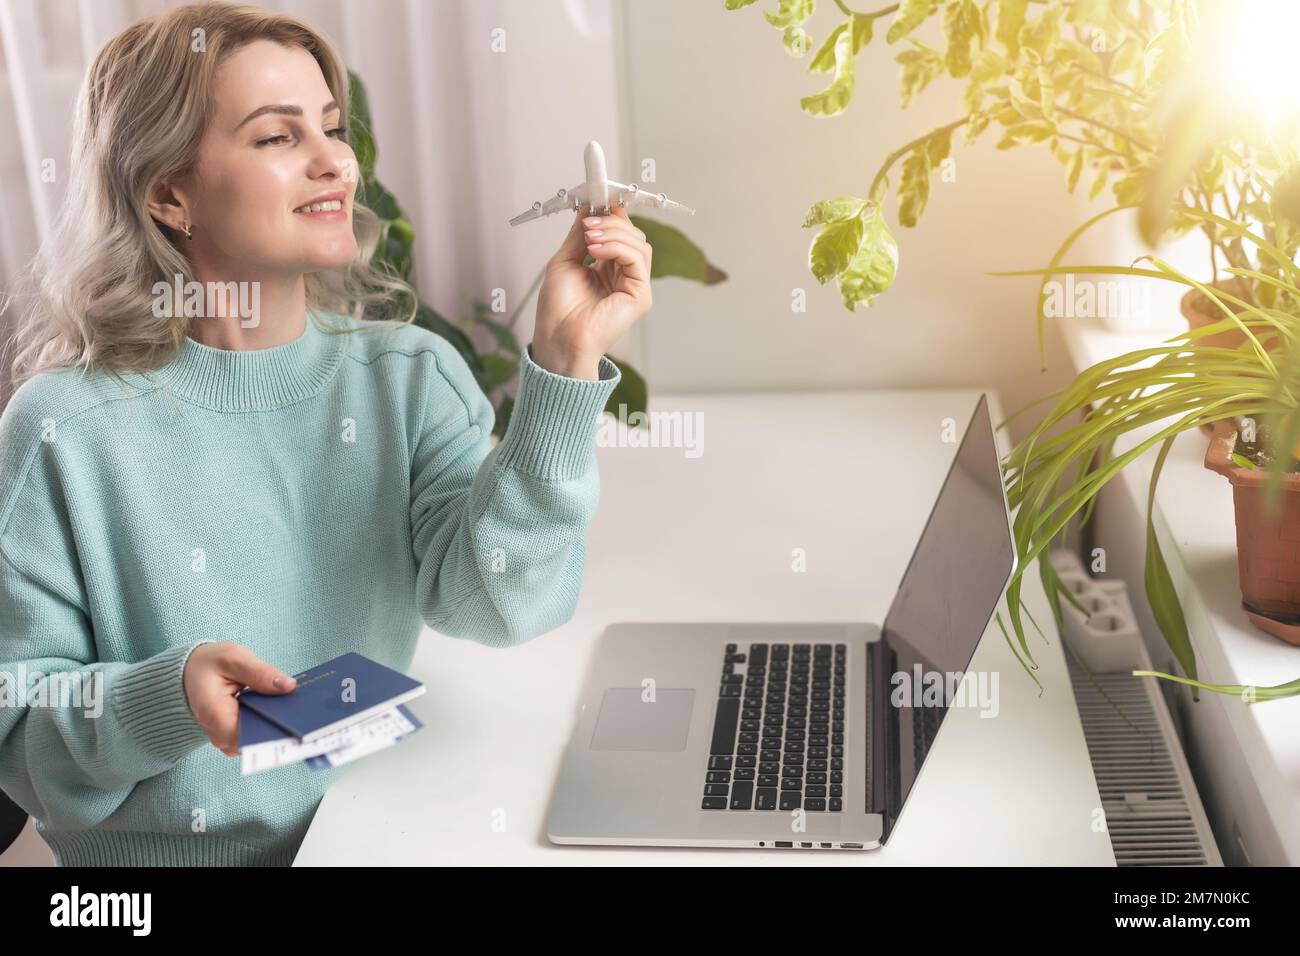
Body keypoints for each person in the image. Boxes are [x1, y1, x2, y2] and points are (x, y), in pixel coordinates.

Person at [0, 2, 651, 866]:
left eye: (333, 129)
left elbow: (499, 603)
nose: (334, 162)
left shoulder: (409, 378)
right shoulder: (63, 432)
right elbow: (18, 737)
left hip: (376, 838)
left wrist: (566, 366)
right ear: (168, 193)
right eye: (277, 137)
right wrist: (167, 700)